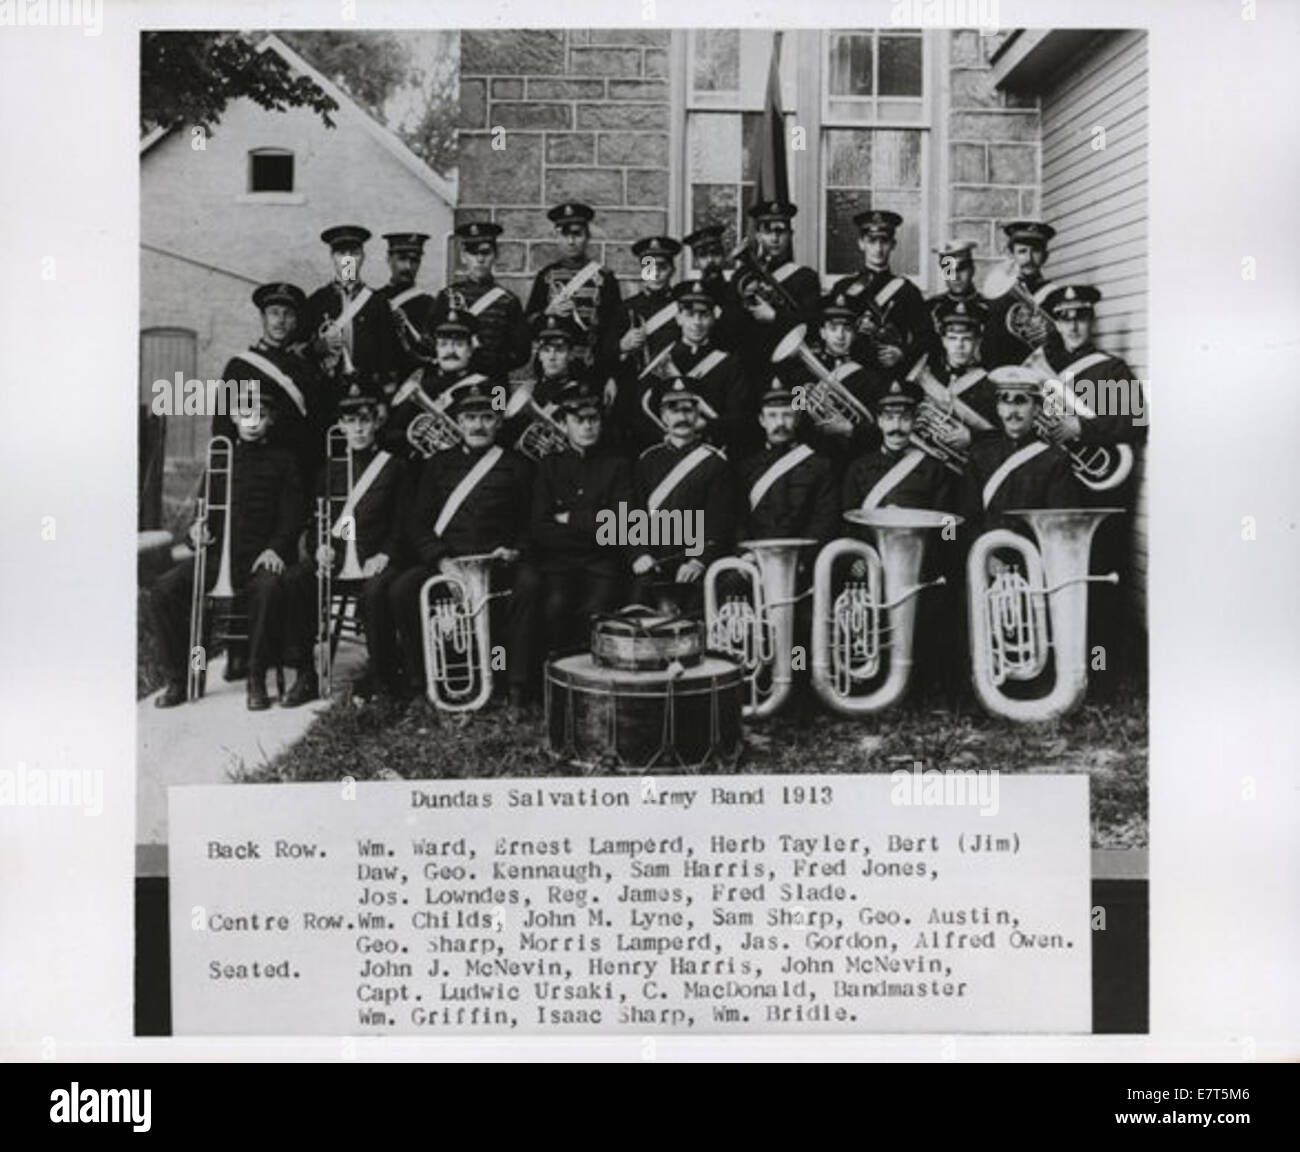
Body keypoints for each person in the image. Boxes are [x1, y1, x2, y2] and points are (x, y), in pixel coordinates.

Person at [150, 391, 303, 711]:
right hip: (220, 559)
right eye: (245, 414)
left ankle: (256, 677)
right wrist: (196, 532)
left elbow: (292, 518)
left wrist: (276, 549)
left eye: (260, 415)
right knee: (165, 590)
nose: (252, 422)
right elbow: (202, 514)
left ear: (270, 420)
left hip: (260, 559)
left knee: (269, 588)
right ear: (234, 417)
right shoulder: (221, 457)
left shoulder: (285, 461)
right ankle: (182, 675)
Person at [392, 379, 539, 708]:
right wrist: (441, 560)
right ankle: (420, 686)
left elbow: (531, 523)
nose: (478, 425)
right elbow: (418, 523)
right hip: (449, 565)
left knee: (529, 585)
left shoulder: (518, 465)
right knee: (403, 589)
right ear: (458, 423)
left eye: (487, 418)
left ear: (498, 423)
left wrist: (516, 551)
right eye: (470, 418)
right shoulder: (437, 465)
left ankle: (514, 684)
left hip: (499, 564)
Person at [283, 383, 407, 705]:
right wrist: (318, 547)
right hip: (337, 558)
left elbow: (401, 522)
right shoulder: (328, 471)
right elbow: (316, 523)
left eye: (365, 420)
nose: (359, 428)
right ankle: (305, 676)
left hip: (373, 558)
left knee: (377, 591)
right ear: (341, 426)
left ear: (377, 423)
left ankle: (383, 678)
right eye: (351, 421)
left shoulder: (394, 467)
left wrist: (386, 554)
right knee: (296, 579)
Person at [525, 380, 633, 661]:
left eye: (593, 419)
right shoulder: (549, 465)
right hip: (560, 563)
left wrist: (570, 518)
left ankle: (596, 680)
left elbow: (621, 525)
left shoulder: (619, 465)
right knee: (554, 608)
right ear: (564, 423)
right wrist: (594, 525)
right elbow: (539, 527)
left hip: (603, 563)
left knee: (595, 613)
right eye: (579, 420)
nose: (587, 426)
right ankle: (558, 680)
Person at [630, 377, 736, 615]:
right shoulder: (647, 460)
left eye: (688, 409)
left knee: (693, 617)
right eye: (673, 410)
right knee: (636, 614)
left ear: (698, 414)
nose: (682, 417)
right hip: (654, 562)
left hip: (693, 563)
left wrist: (699, 560)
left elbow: (718, 520)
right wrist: (640, 554)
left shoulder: (715, 463)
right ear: (663, 416)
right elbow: (634, 513)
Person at [213, 281, 326, 494]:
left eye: (288, 314)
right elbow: (222, 429)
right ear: (263, 318)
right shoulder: (240, 366)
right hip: (254, 474)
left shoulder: (306, 369)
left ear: (296, 321)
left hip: (296, 475)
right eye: (274, 313)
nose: (280, 321)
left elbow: (316, 428)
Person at [961, 366, 1078, 535]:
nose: (1012, 411)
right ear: (998, 409)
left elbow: (1060, 524)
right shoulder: (979, 455)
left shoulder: (1055, 459)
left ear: (1037, 409)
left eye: (1020, 401)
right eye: (1005, 401)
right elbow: (966, 518)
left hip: (1035, 557)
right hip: (986, 555)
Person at [778, 291, 886, 475]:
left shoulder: (869, 377)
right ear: (822, 333)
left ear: (854, 334)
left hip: (856, 461)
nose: (840, 335)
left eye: (846, 329)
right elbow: (798, 419)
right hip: (813, 460)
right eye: (833, 328)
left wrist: (849, 429)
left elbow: (879, 427)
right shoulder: (802, 376)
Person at [301, 224, 404, 401]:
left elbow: (389, 356)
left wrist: (383, 401)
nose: (348, 261)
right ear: (332, 257)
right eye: (341, 254)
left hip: (367, 392)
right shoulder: (316, 301)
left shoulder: (377, 302)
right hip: (325, 393)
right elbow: (298, 352)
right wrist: (317, 347)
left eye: (354, 253)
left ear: (363, 257)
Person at [524, 202, 622, 376]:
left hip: (592, 367)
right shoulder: (546, 276)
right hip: (553, 368)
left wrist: (611, 375)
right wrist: (548, 312)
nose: (571, 241)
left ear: (587, 236)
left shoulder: (605, 278)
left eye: (577, 234)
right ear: (557, 237)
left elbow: (613, 332)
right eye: (564, 235)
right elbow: (528, 326)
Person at [381, 309, 489, 463]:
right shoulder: (421, 387)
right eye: (443, 344)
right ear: (436, 350)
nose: (450, 351)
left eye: (458, 344)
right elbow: (392, 434)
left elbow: (503, 430)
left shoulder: (496, 388)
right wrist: (417, 447)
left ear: (471, 350)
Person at [828, 208, 930, 372]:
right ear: (861, 243)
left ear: (893, 244)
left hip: (890, 376)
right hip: (851, 374)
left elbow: (926, 337)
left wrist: (902, 353)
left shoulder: (907, 291)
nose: (878, 248)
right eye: (872, 241)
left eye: (884, 241)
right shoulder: (843, 288)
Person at [905, 296, 999, 461]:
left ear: (978, 342)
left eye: (967, 339)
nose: (959, 346)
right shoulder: (930, 374)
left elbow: (1002, 436)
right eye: (952, 338)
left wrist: (972, 438)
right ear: (943, 341)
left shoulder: (990, 384)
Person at [433, 221, 531, 379]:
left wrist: (491, 362)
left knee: (498, 405)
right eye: (473, 253)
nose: (480, 259)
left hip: (495, 383)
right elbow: (431, 342)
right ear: (463, 256)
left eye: (485, 253)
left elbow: (521, 353)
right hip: (453, 381)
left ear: (495, 255)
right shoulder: (447, 296)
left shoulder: (508, 301)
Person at [734, 199, 821, 377]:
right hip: (753, 366)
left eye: (780, 231)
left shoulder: (806, 277)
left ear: (790, 234)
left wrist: (775, 316)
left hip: (795, 368)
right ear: (758, 235)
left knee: (801, 404)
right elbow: (731, 325)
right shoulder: (742, 277)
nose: (774, 238)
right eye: (767, 231)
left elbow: (812, 322)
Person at [842, 379, 954, 514]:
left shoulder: (935, 470)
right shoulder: (858, 468)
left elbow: (949, 520)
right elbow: (847, 520)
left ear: (915, 422)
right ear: (880, 422)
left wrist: (950, 536)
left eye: (905, 419)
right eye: (889, 418)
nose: (897, 427)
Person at [503, 313, 587, 455]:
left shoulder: (581, 394)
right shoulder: (528, 390)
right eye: (546, 350)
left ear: (571, 355)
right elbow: (506, 428)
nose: (552, 357)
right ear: (539, 355)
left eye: (559, 350)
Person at [981, 220, 1057, 369]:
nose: (1028, 259)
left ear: (1046, 256)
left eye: (1035, 251)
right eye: (1022, 251)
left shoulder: (1055, 295)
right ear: (1012, 254)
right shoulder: (999, 295)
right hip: (1005, 372)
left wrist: (1051, 336)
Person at [377, 231, 438, 378]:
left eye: (414, 260)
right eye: (402, 259)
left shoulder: (430, 304)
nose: (408, 267)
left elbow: (433, 351)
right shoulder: (375, 300)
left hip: (417, 377)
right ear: (389, 259)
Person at [681, 223, 744, 351]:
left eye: (715, 254)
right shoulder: (688, 294)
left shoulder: (737, 291)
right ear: (696, 261)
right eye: (703, 256)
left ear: (723, 256)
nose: (710, 260)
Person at [924, 239, 983, 353]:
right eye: (949, 271)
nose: (955, 276)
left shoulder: (987, 307)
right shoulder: (931, 308)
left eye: (961, 269)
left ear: (972, 270)